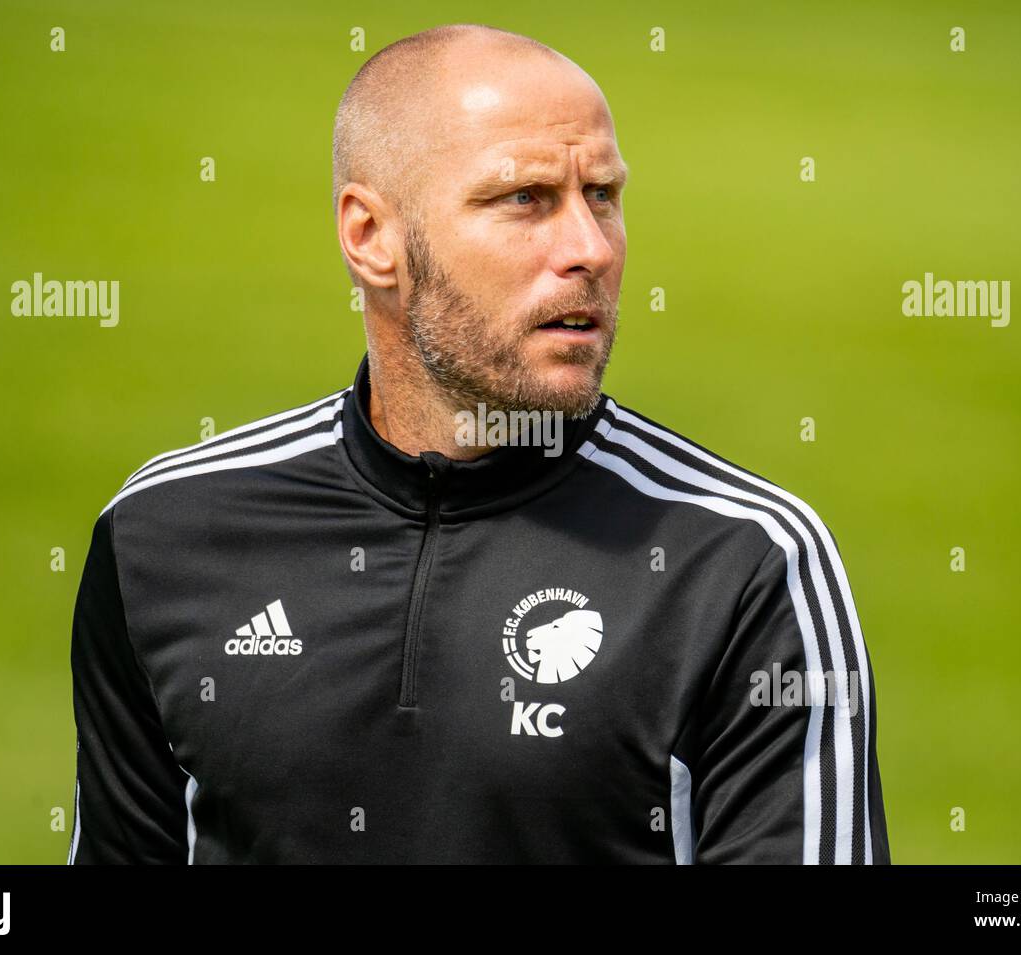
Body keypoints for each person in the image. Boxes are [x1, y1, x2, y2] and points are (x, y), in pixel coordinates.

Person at [67, 23, 889, 864]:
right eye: (525, 199)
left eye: (602, 195)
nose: (590, 249)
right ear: (371, 238)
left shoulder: (742, 561)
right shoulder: (165, 535)